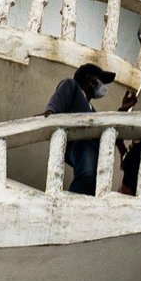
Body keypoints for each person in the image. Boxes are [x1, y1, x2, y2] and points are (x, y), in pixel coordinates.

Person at [43, 62, 116, 194]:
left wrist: (123, 109)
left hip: (90, 146)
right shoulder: (72, 86)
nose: (103, 86)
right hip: (77, 143)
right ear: (90, 79)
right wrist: (50, 112)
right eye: (101, 80)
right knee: (87, 174)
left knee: (93, 179)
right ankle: (71, 202)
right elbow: (57, 101)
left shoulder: (92, 110)